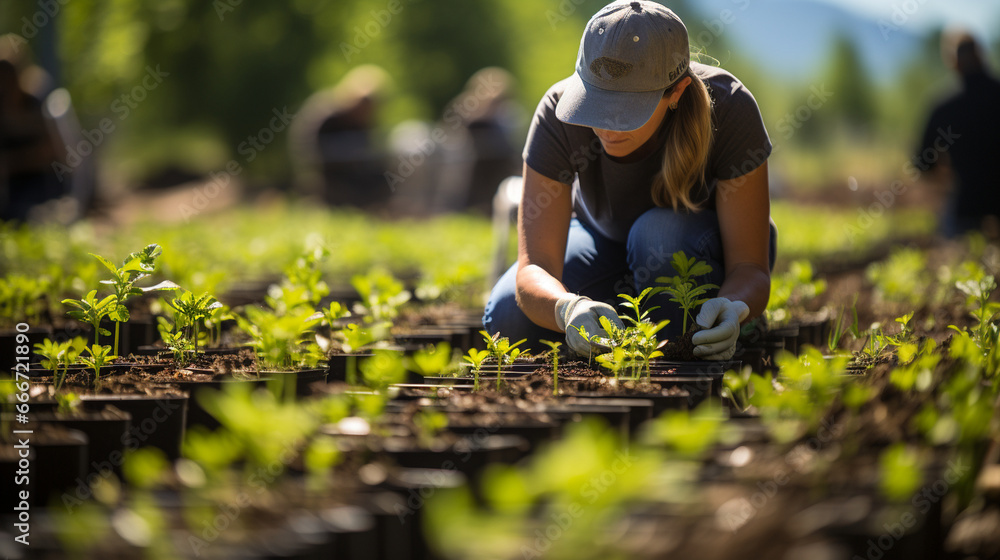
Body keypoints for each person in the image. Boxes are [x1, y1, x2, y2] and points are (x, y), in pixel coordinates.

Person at [483, 0, 776, 360]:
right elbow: (535, 268)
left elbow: (750, 267)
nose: (605, 126)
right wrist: (567, 309)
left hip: (695, 252)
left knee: (657, 235)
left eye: (624, 110)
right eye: (593, 102)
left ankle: (696, 337)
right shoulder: (557, 115)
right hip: (602, 243)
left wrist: (736, 307)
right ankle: (614, 319)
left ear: (676, 92)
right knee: (508, 319)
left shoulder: (730, 107)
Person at [913, 30, 1000, 237]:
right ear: (981, 55)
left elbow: (922, 164)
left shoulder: (943, 107)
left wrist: (949, 173)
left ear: (952, 61)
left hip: (965, 209)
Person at [289, 65, 391, 209]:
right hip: (326, 176)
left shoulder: (362, 123)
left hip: (352, 174)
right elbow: (311, 152)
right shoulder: (325, 116)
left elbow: (368, 153)